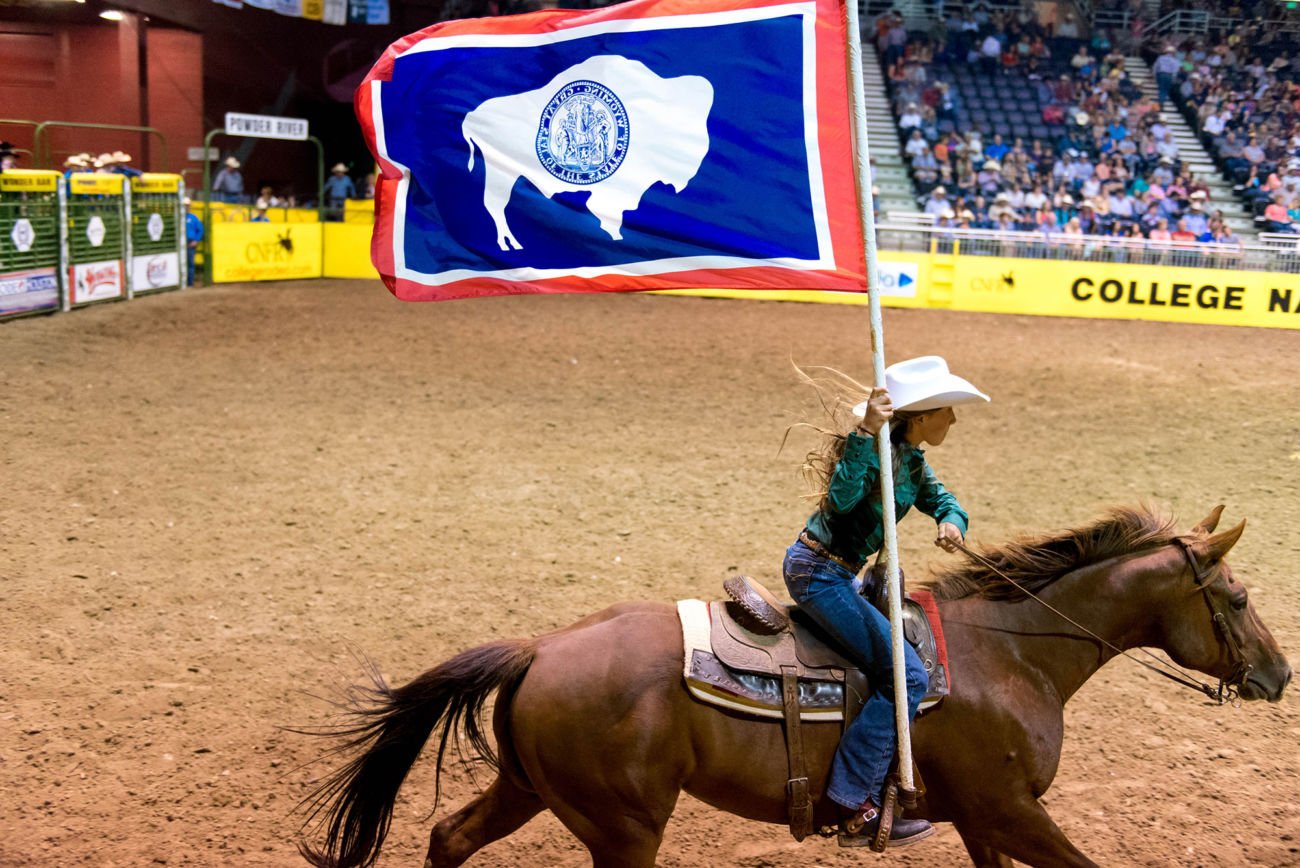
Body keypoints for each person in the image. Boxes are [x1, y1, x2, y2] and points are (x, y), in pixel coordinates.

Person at [785, 356, 989, 848]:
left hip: (838, 573)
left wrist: (952, 522)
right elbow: (841, 501)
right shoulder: (873, 451)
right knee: (909, 675)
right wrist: (864, 434)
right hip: (819, 575)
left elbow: (944, 500)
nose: (954, 419)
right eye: (946, 411)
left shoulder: (912, 461)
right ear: (921, 418)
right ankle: (854, 799)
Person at [184, 198, 204, 287]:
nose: (185, 207)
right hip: (181, 242)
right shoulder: (179, 217)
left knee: (190, 263)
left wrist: (196, 240)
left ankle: (190, 282)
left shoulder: (194, 218)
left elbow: (200, 230)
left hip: (190, 243)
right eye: (184, 206)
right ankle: (183, 282)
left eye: (187, 206)